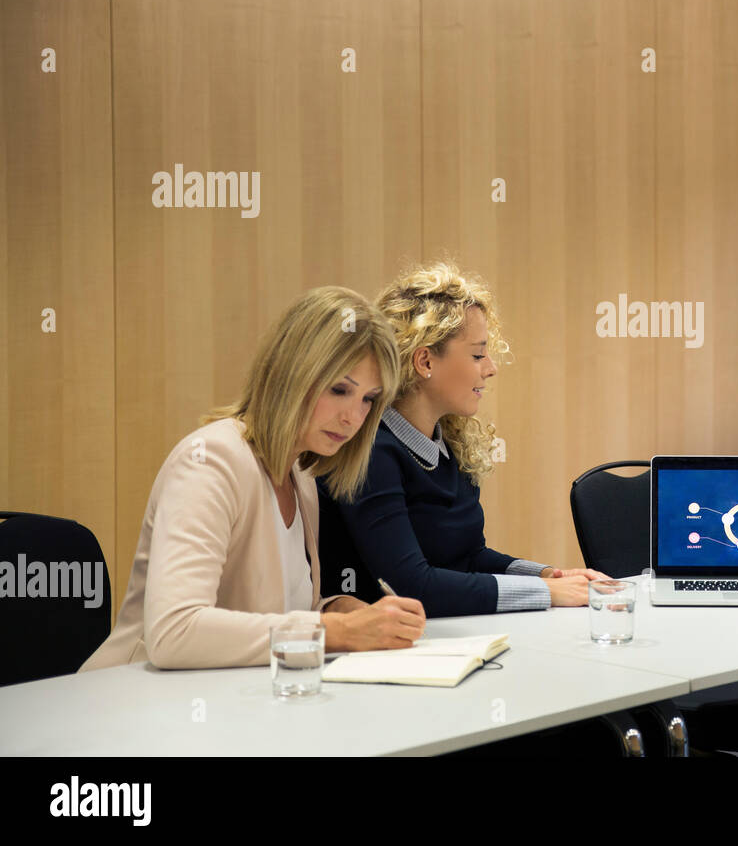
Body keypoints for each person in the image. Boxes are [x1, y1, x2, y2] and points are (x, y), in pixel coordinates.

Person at [82, 287, 427, 671]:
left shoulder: (301, 475)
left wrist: (336, 607)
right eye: (340, 389)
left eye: (368, 399)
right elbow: (174, 632)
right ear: (292, 374)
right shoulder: (210, 462)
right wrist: (336, 629)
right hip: (139, 706)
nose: (353, 417)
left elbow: (267, 613)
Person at [318, 261, 606, 617]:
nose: (490, 367)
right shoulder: (372, 452)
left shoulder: (448, 444)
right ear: (425, 361)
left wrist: (548, 574)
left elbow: (468, 558)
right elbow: (416, 586)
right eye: (477, 354)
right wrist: (545, 591)